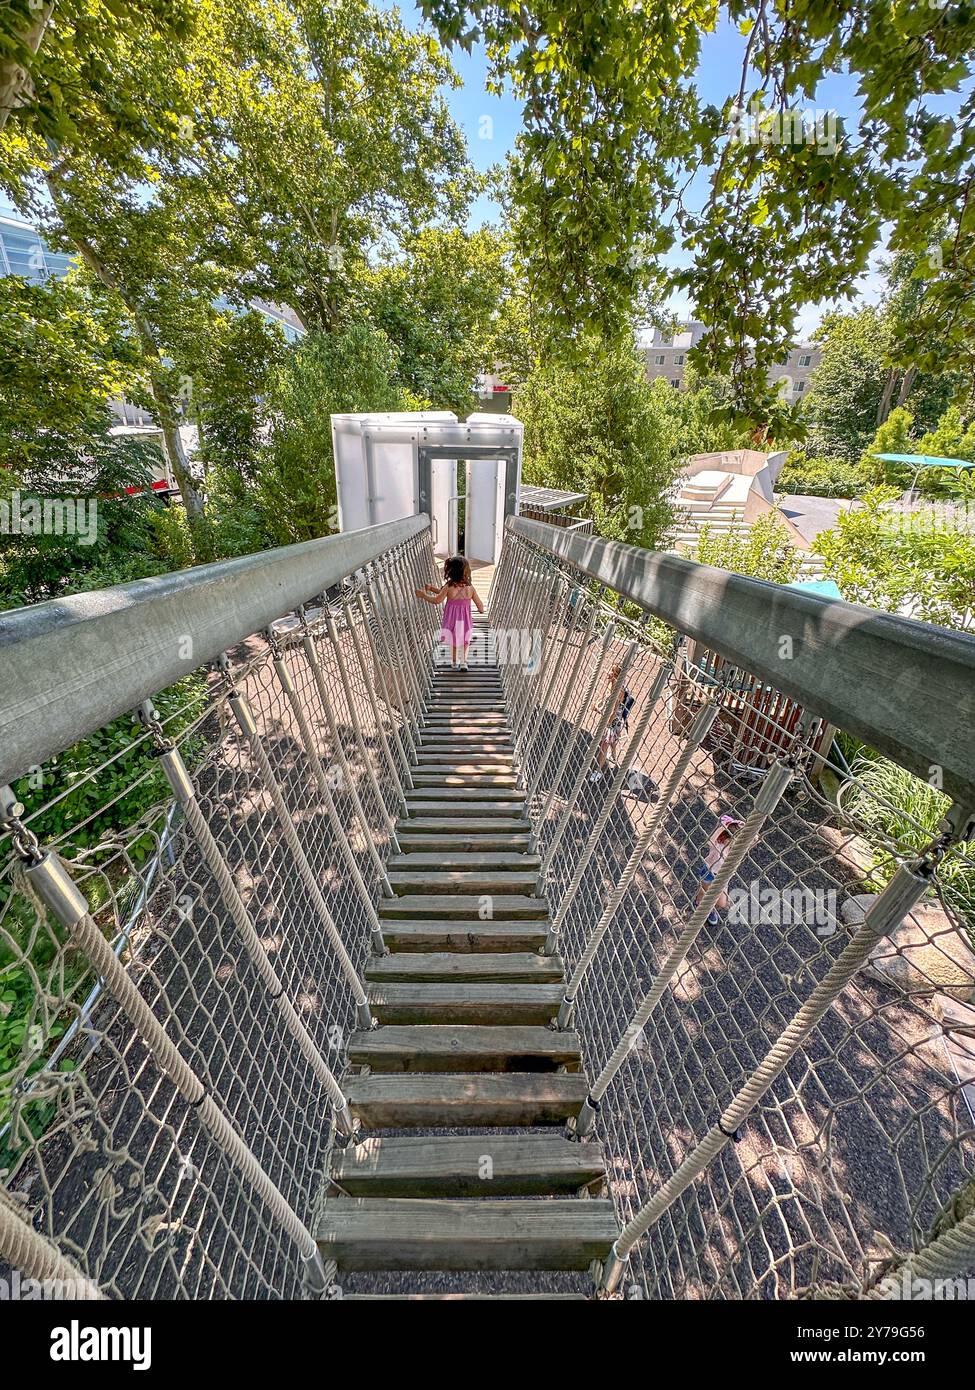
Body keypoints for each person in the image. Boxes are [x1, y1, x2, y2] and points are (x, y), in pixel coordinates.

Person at [415, 554, 483, 670]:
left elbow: (438, 599)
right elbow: (479, 604)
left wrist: (424, 595)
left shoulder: (449, 587)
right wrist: (480, 610)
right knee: (465, 641)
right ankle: (464, 662)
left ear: (451, 572)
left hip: (452, 619)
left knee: (455, 641)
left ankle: (454, 662)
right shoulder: (470, 588)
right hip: (465, 619)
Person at [694, 814, 744, 925]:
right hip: (709, 873)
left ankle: (708, 906)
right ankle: (699, 902)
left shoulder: (735, 850)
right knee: (705, 893)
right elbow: (709, 840)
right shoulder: (717, 845)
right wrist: (722, 826)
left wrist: (752, 835)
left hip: (722, 878)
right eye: (732, 839)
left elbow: (749, 845)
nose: (734, 842)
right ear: (725, 836)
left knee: (721, 903)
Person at [589, 664, 635, 782]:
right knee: (612, 741)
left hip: (613, 719)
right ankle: (614, 757)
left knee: (604, 745)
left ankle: (598, 771)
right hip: (610, 716)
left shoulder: (619, 690)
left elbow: (614, 711)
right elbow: (606, 697)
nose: (609, 673)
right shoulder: (612, 683)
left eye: (612, 673)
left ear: (617, 677)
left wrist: (607, 723)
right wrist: (599, 703)